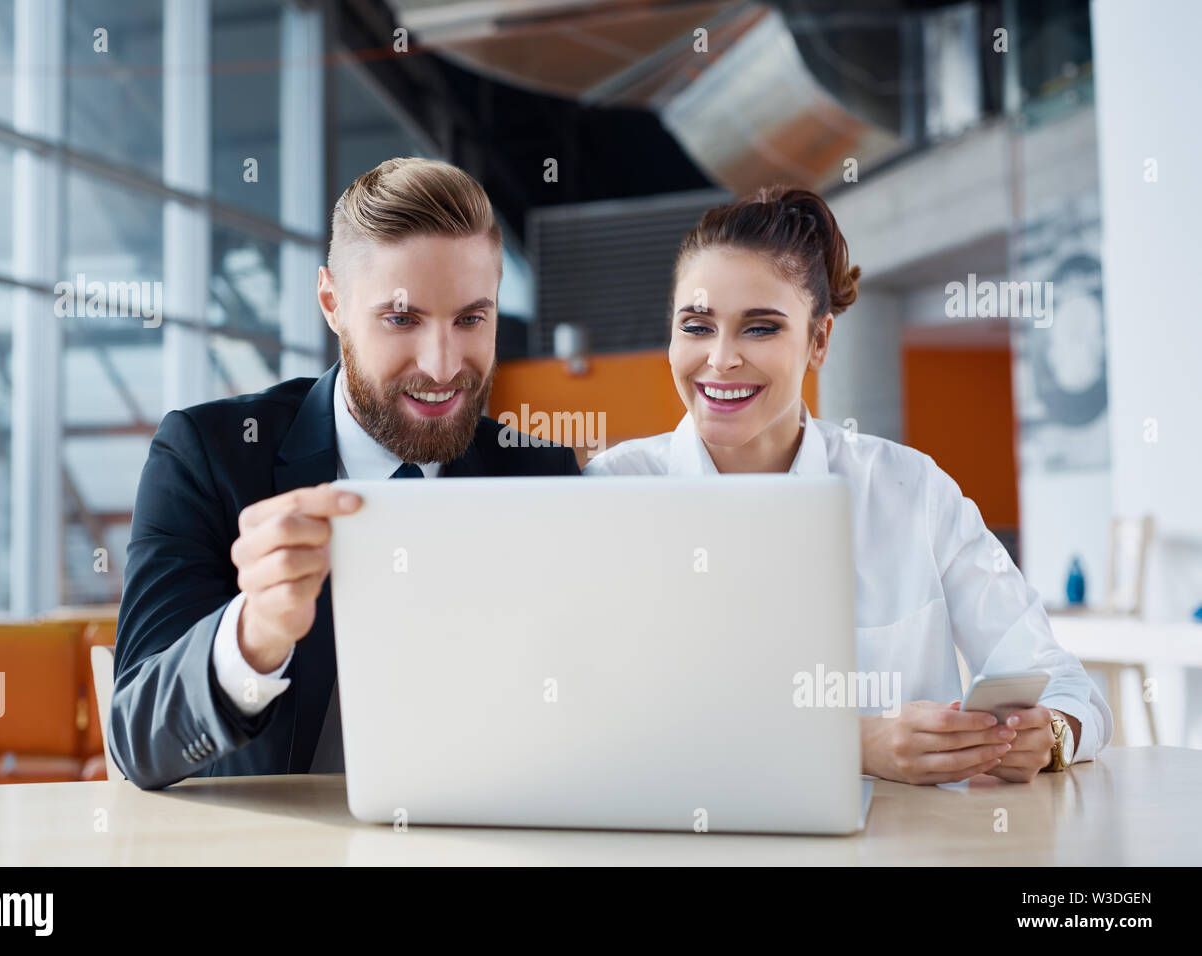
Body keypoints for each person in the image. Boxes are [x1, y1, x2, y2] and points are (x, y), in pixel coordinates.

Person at [584, 185, 1112, 786]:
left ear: (820, 340)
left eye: (760, 329)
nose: (722, 358)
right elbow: (596, 714)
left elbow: (1064, 682)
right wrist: (850, 742)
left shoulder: (911, 491)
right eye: (697, 326)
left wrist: (1051, 735)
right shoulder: (612, 491)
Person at [111, 158, 579, 790]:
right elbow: (138, 737)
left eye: (471, 319)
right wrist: (254, 633)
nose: (442, 367)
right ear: (332, 303)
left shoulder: (539, 475)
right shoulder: (207, 455)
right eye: (401, 319)